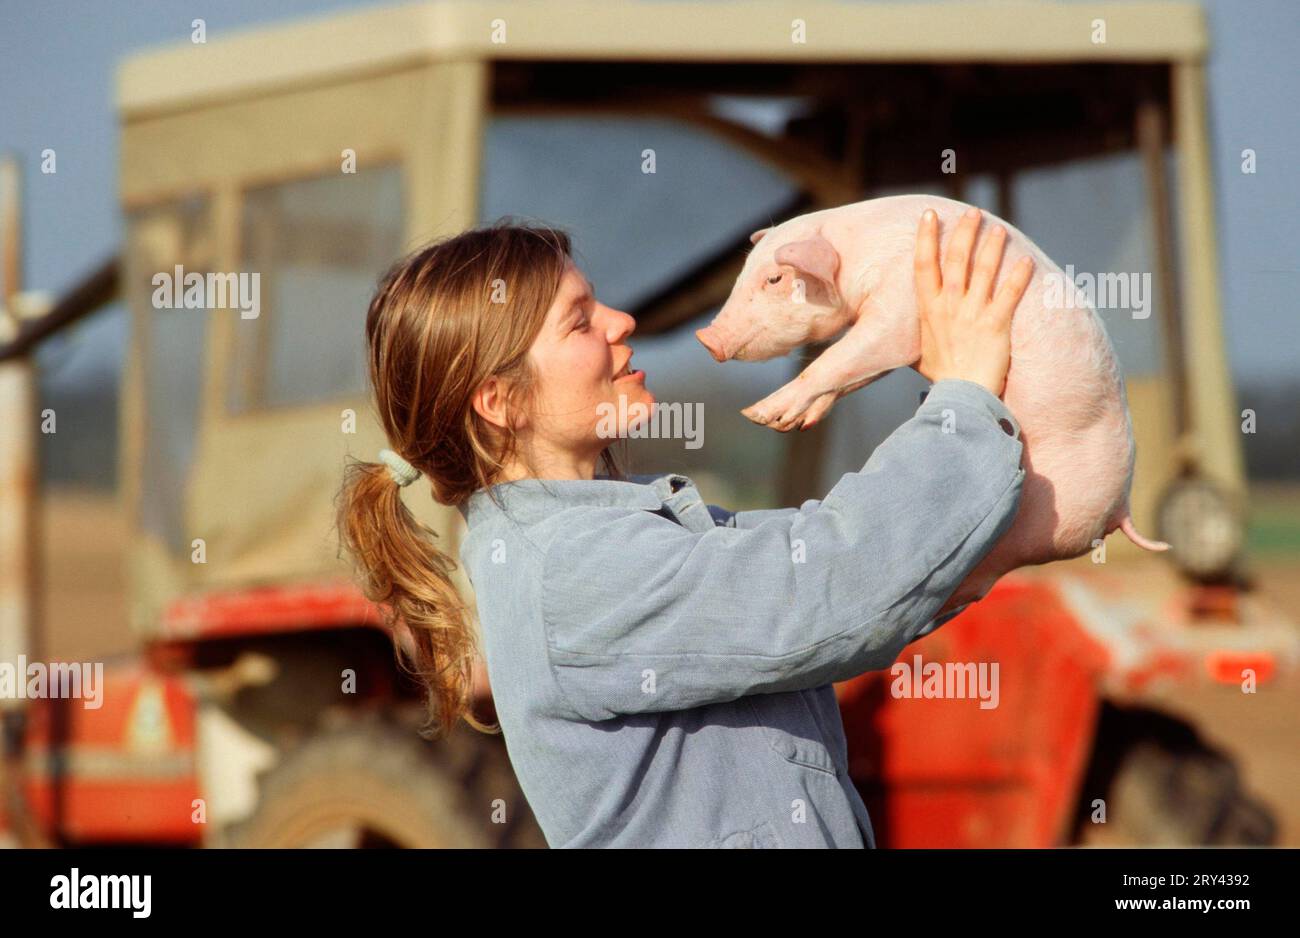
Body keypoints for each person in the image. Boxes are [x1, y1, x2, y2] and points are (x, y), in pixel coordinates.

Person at [336, 207, 1035, 848]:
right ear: (501, 401)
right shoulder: (578, 571)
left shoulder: (608, 536)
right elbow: (824, 589)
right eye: (580, 322)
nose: (621, 321)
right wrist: (964, 403)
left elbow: (832, 563)